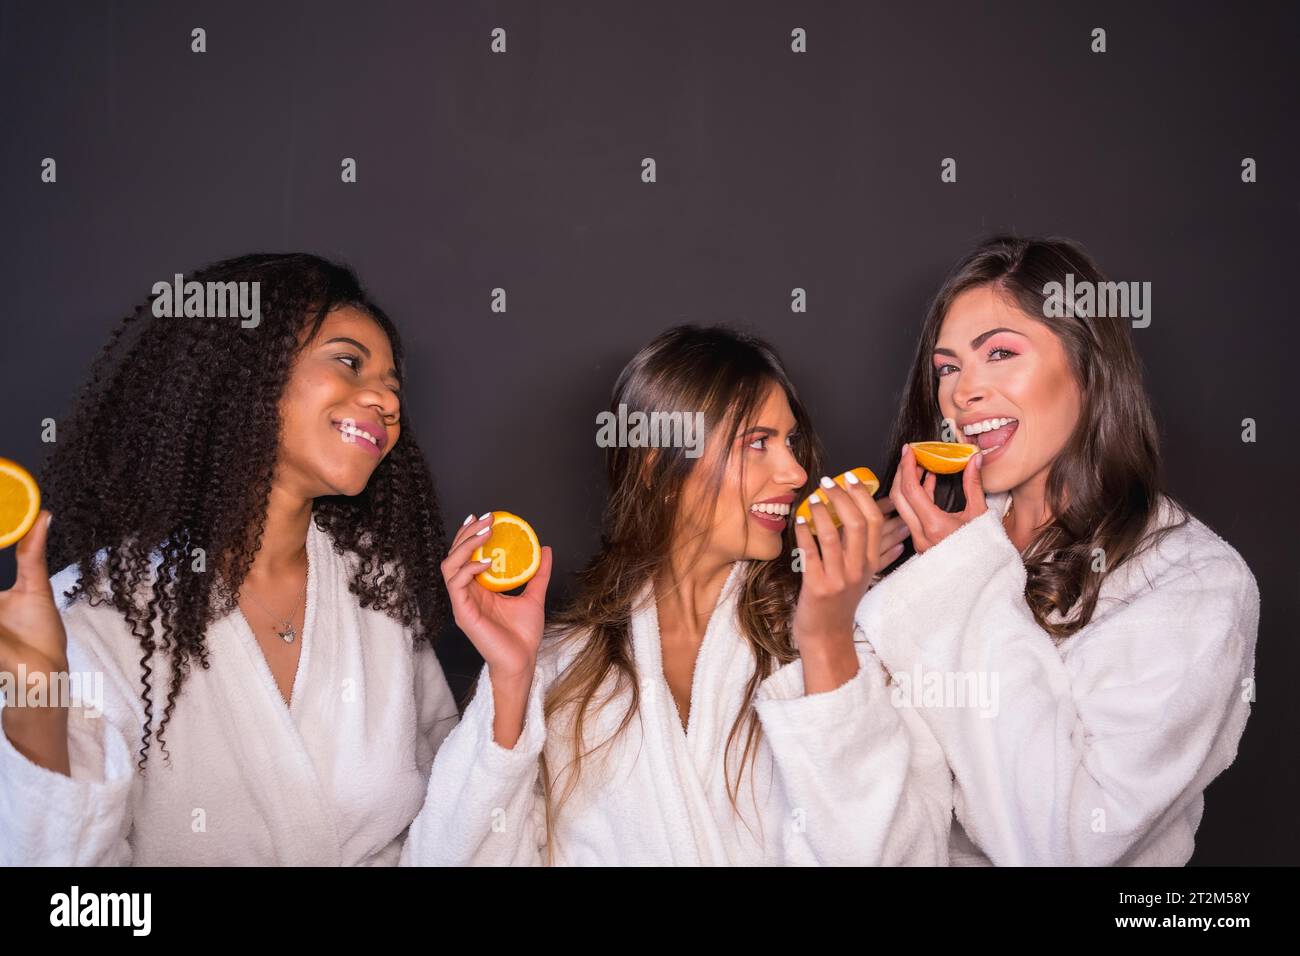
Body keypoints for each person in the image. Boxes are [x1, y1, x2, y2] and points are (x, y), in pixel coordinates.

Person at [401, 325, 952, 865]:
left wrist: (828, 639)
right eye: (757, 443)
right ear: (659, 469)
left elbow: (905, 853)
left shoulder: (853, 634)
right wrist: (510, 680)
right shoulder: (560, 665)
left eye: (790, 442)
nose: (795, 470)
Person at [0, 253, 459, 865]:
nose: (386, 401)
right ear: (249, 370)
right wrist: (33, 709)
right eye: (349, 362)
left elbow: (450, 816)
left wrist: (509, 687)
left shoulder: (377, 587)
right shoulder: (90, 613)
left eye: (393, 385)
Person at [857, 235, 1259, 865]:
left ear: (1087, 367)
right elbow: (872, 805)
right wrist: (843, 603)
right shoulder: (929, 549)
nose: (963, 392)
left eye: (1000, 353)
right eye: (948, 366)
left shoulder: (1194, 582)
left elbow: (1065, 842)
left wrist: (959, 574)